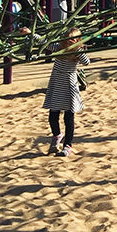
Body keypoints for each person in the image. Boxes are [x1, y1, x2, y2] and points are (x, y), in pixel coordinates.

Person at [42, 27, 90, 158]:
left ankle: (67, 145)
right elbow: (44, 42)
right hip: (57, 83)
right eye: (69, 39)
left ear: (78, 40)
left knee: (68, 118)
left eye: (74, 39)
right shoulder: (59, 48)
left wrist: (78, 50)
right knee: (53, 116)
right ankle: (57, 135)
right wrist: (30, 34)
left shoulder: (77, 52)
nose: (71, 41)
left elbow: (87, 62)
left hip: (69, 85)